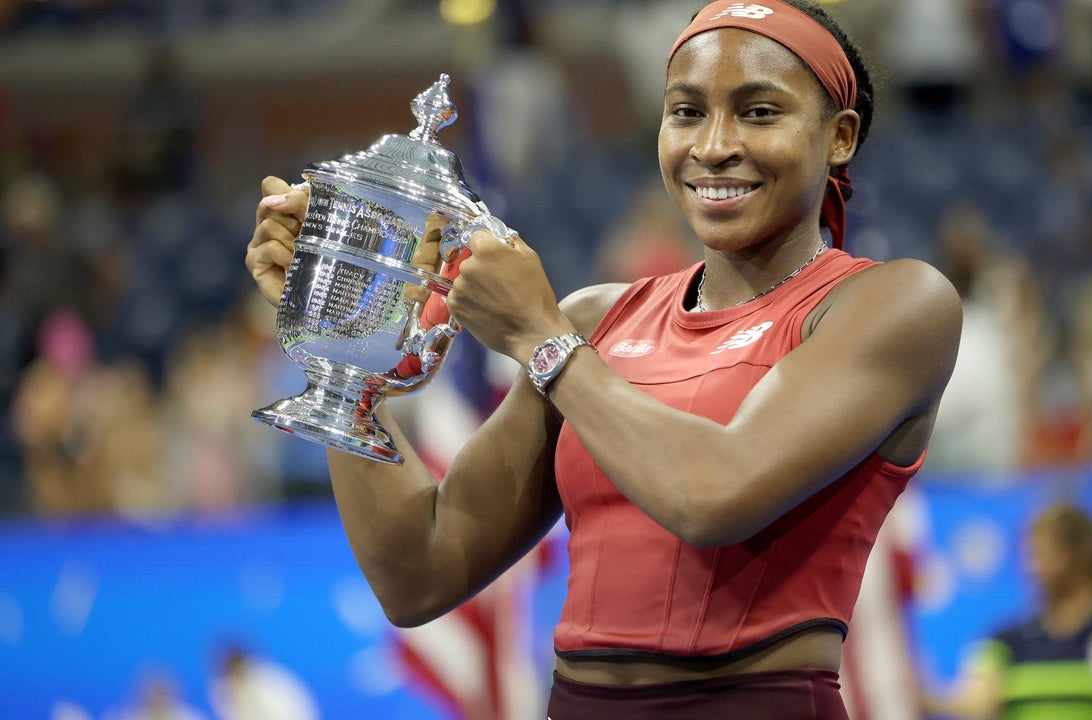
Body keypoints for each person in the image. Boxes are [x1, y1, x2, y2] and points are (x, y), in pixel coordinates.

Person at [245, 1, 961, 717]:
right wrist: (340, 347)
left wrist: (540, 338)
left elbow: (713, 497)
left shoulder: (895, 304)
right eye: (686, 112)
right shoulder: (595, 322)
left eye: (759, 112)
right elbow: (420, 575)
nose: (713, 145)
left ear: (839, 136)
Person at [921, 503, 1092, 720]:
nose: (1030, 568)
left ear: (1078, 555)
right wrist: (919, 694)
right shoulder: (1006, 641)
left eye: (1040, 553)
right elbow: (975, 705)